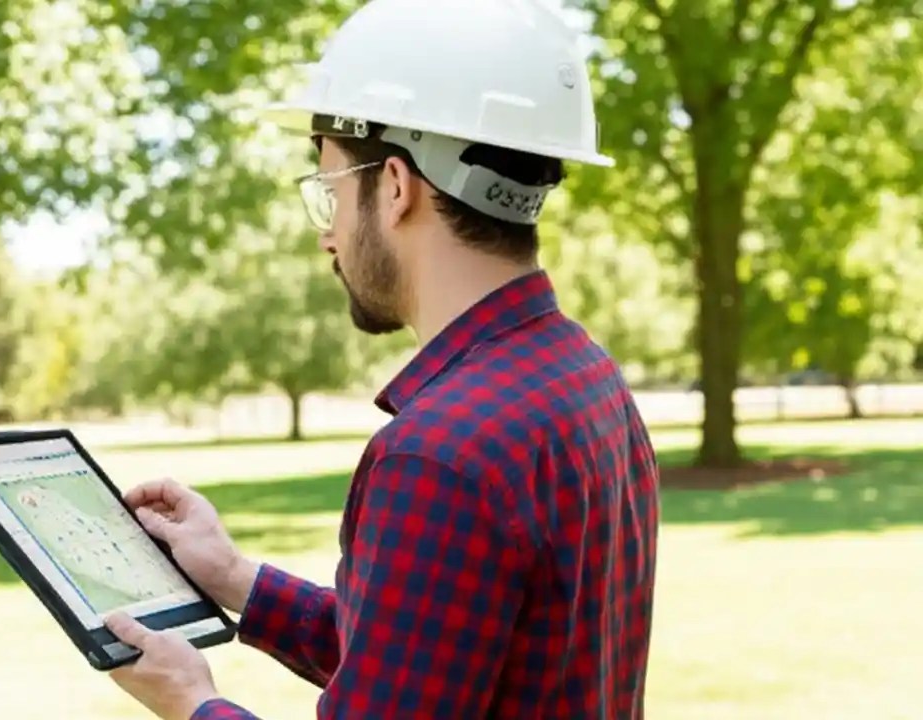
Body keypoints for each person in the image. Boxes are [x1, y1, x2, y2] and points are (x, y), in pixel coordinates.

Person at [102, 0, 661, 717]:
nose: (327, 236)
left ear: (394, 187)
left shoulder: (438, 456)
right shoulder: (583, 379)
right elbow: (426, 657)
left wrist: (193, 701)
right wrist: (237, 577)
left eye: (329, 190)